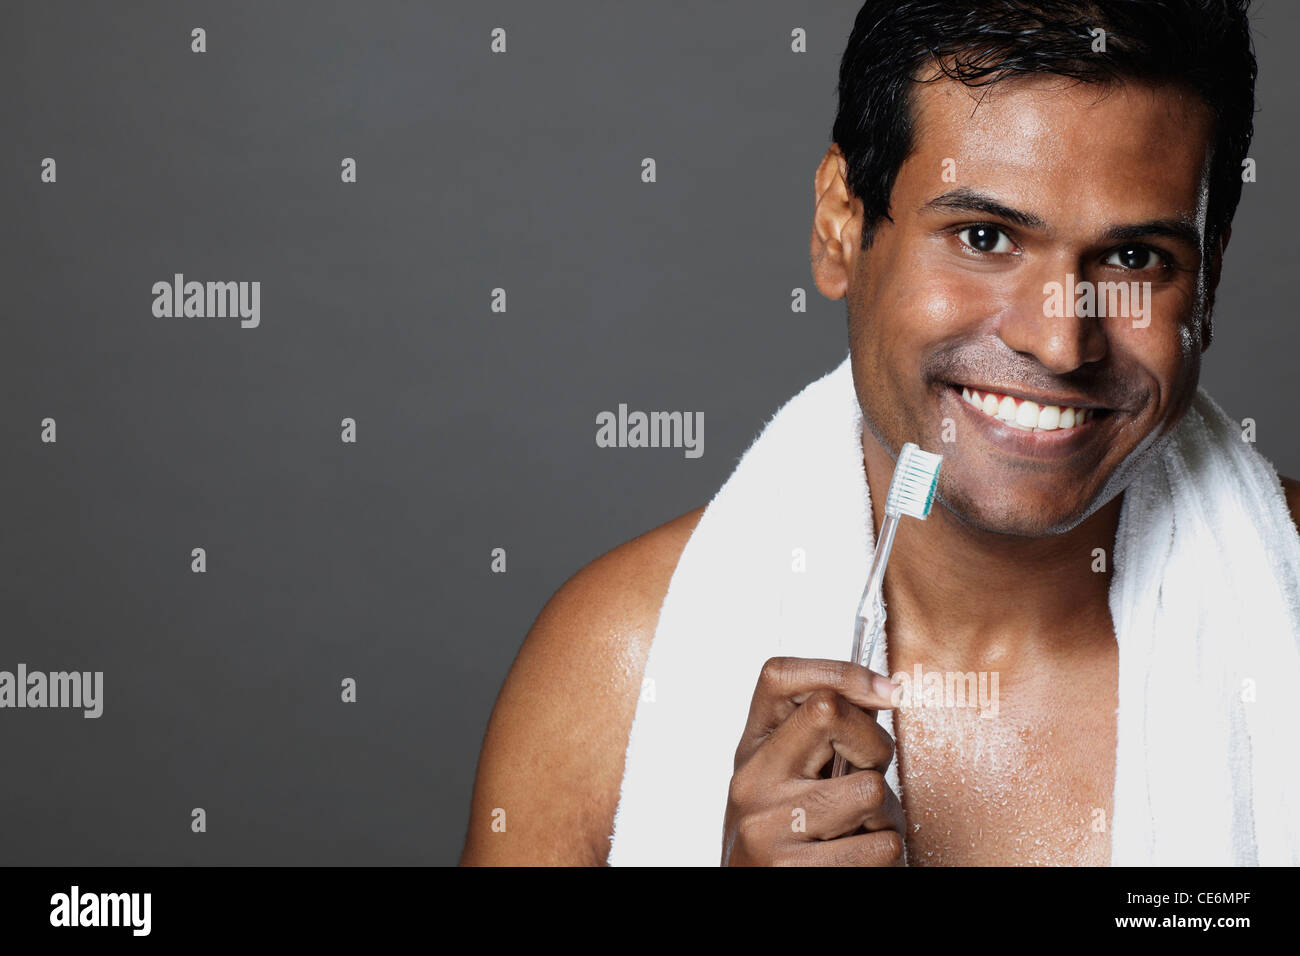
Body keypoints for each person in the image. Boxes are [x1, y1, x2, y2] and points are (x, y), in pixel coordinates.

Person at [460, 0, 1300, 866]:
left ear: (1210, 279)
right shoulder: (619, 669)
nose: (1059, 341)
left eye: (1135, 259)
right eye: (984, 237)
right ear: (841, 225)